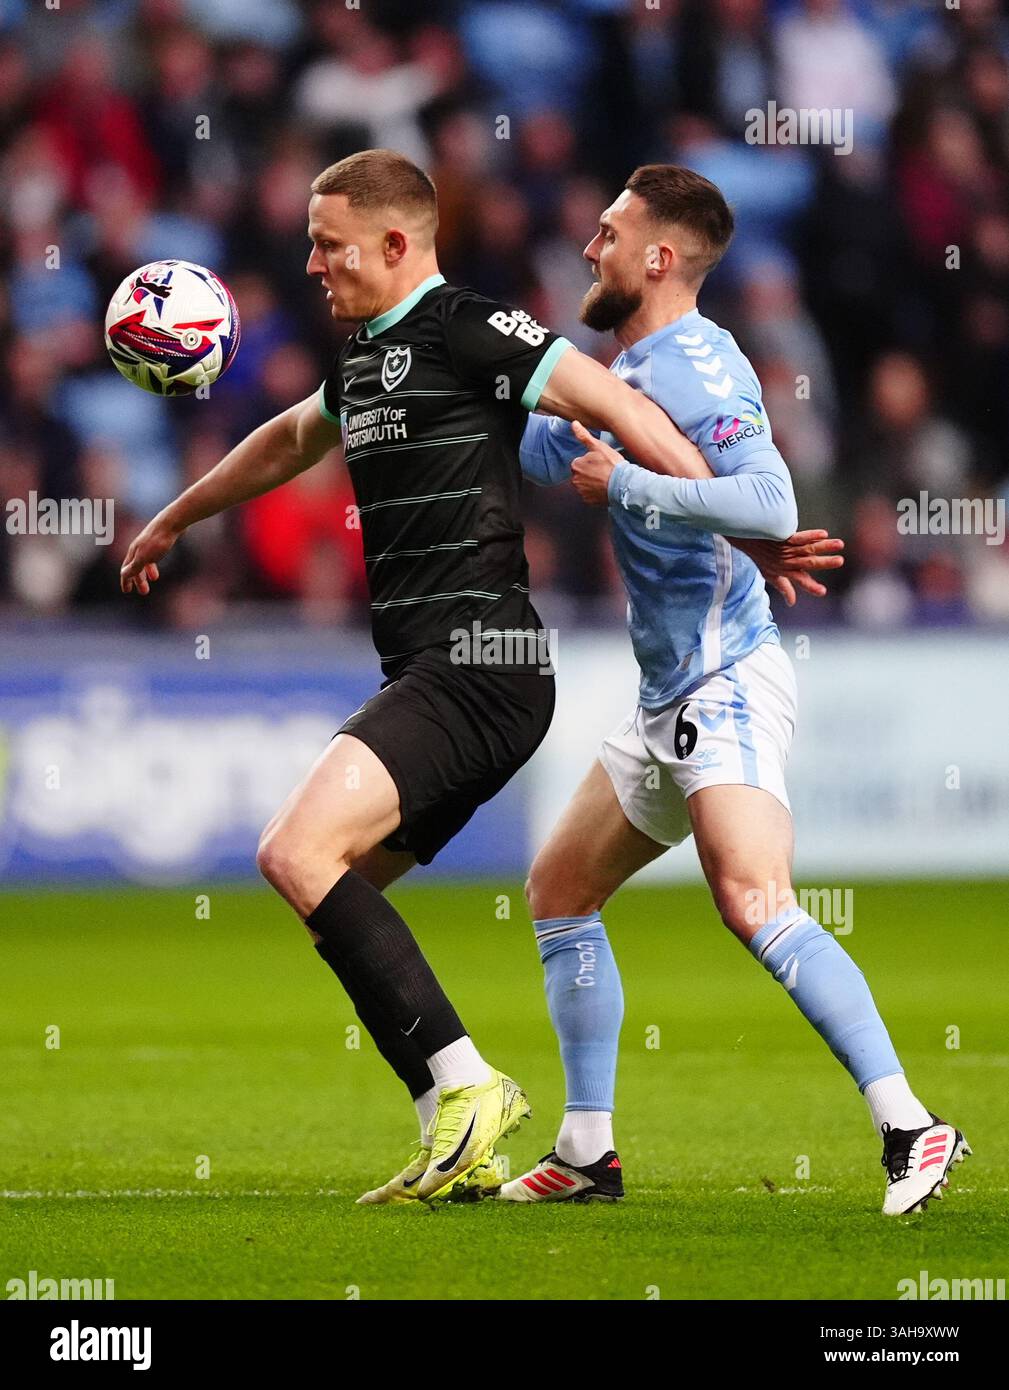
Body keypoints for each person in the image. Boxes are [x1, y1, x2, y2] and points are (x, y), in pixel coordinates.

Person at [120, 148, 838, 1205]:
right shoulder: (365, 357)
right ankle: (456, 1130)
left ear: (397, 243)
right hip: (429, 667)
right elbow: (285, 439)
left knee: (292, 848)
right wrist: (177, 515)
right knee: (339, 892)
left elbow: (617, 406)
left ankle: (466, 1089)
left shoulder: (471, 327)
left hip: (482, 666)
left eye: (329, 244)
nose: (312, 262)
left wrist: (739, 525)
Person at [498, 165, 969, 1217]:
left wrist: (622, 482)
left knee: (753, 900)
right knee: (559, 891)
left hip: (727, 679)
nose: (590, 246)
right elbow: (553, 447)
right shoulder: (628, 365)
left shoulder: (699, 365)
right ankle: (586, 1151)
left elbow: (769, 494)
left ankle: (911, 1124)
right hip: (669, 694)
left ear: (658, 259)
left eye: (610, 232)